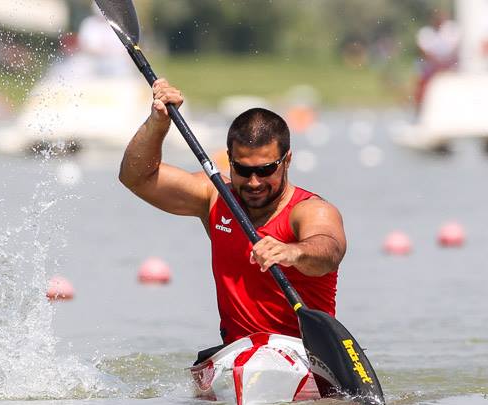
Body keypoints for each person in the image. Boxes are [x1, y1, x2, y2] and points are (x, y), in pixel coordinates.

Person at [118, 79, 346, 362]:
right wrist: (157, 123)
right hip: (237, 355)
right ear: (228, 159)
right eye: (242, 169)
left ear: (287, 161)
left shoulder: (310, 210)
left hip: (304, 356)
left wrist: (293, 251)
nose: (253, 182)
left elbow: (329, 250)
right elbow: (135, 177)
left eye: (265, 170)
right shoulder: (215, 197)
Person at [414, 11, 460, 109]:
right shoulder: (426, 33)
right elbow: (425, 54)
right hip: (432, 67)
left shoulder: (451, 31)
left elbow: (455, 50)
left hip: (449, 66)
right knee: (421, 79)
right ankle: (420, 105)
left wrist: (445, 64)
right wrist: (438, 64)